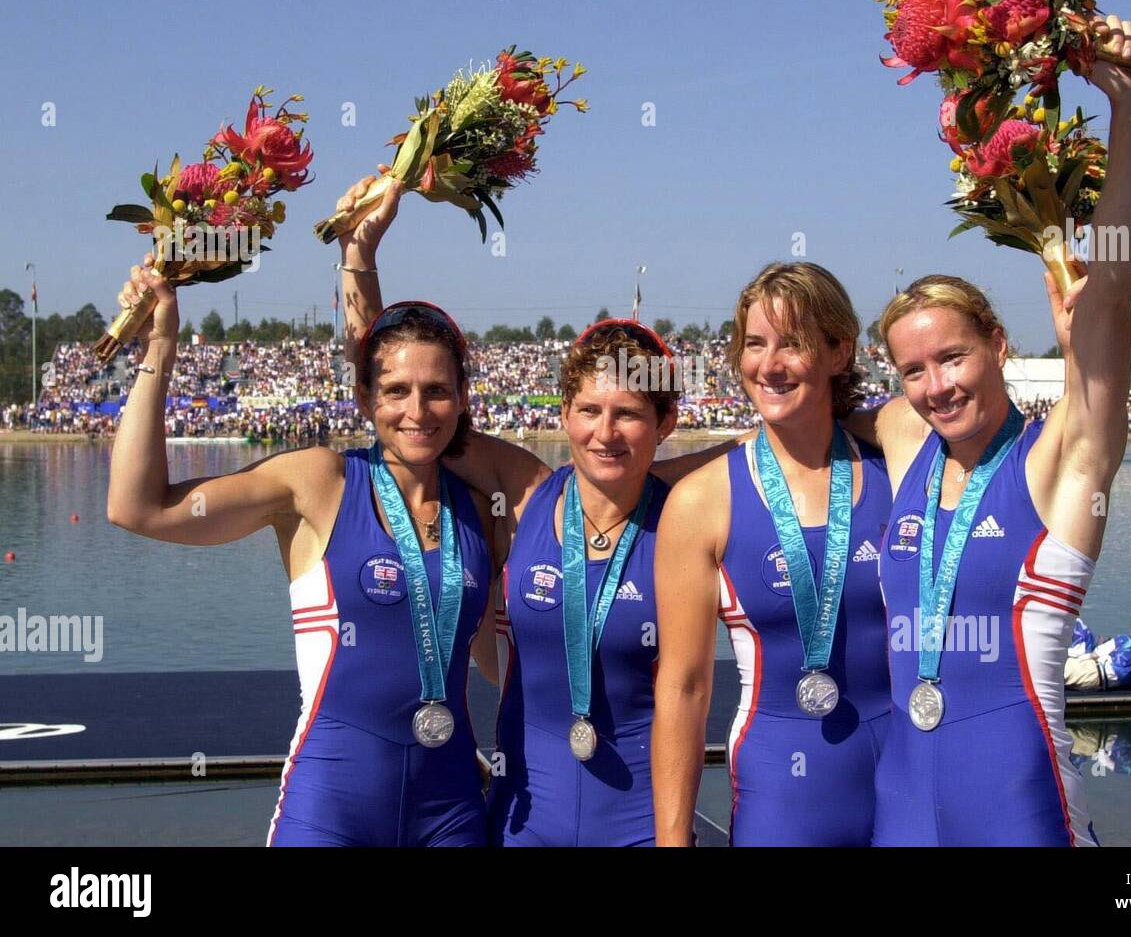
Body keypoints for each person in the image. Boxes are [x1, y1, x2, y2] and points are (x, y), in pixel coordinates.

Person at [333, 176, 737, 846]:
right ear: (565, 415)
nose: (606, 433)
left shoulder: (686, 513)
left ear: (666, 421)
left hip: (643, 825)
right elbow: (396, 396)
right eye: (589, 412)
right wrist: (360, 254)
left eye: (630, 415)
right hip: (526, 819)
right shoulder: (525, 488)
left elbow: (780, 441)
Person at [842, 15, 1131, 846]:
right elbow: (794, 418)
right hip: (902, 817)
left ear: (999, 344)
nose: (936, 386)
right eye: (913, 371)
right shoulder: (907, 444)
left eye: (953, 358)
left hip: (1023, 817)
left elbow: (1113, 292)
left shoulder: (1060, 458)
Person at [107, 259, 497, 847]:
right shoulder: (319, 482)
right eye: (395, 390)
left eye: (437, 391)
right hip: (330, 809)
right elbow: (139, 507)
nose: (416, 411)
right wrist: (160, 346)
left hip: (452, 809)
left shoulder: (482, 511)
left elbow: (513, 662)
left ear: (463, 398)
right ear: (366, 398)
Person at [653, 262, 893, 846]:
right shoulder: (701, 501)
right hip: (780, 796)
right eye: (754, 344)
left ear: (840, 351)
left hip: (909, 780)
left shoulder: (899, 468)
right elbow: (684, 688)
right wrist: (673, 837)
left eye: (794, 343)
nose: (770, 364)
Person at [1065, 616, 1131, 690]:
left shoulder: (1125, 639)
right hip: (1101, 684)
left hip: (1093, 670)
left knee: (1054, 670)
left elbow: (1097, 653)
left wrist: (1081, 659)